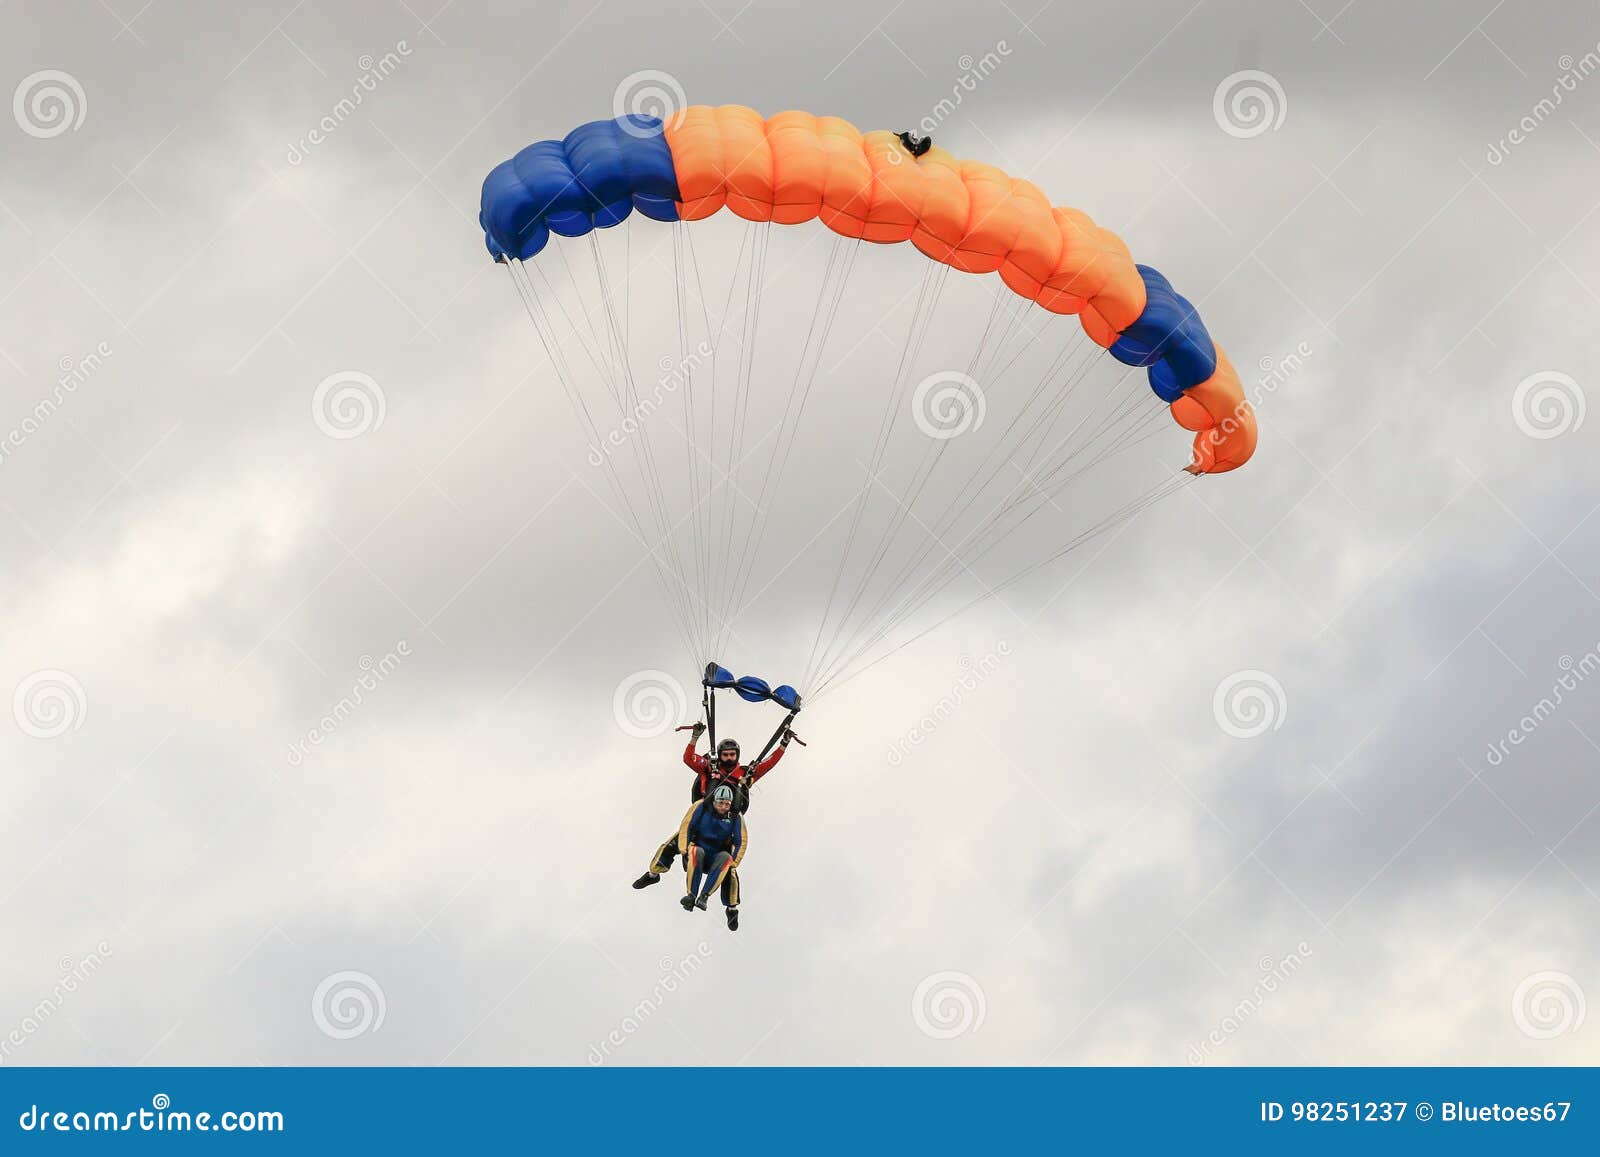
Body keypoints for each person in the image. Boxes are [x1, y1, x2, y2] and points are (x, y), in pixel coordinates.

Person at [632, 721, 793, 894]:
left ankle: (731, 908)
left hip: (725, 829)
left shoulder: (746, 774)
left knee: (729, 867)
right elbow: (688, 758)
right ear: (720, 755)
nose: (729, 758)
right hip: (703, 820)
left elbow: (768, 764)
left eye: (732, 755)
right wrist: (695, 737)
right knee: (671, 845)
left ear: (737, 755)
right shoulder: (709, 767)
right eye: (725, 755)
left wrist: (783, 744)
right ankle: (653, 874)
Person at [677, 784, 747, 928]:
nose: (723, 807)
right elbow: (686, 826)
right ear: (714, 801)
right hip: (698, 850)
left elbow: (742, 840)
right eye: (720, 803)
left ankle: (708, 898)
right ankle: (691, 895)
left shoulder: (735, 816)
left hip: (717, 857)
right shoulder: (701, 807)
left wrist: (734, 861)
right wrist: (684, 848)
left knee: (727, 861)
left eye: (727, 804)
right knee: (695, 851)